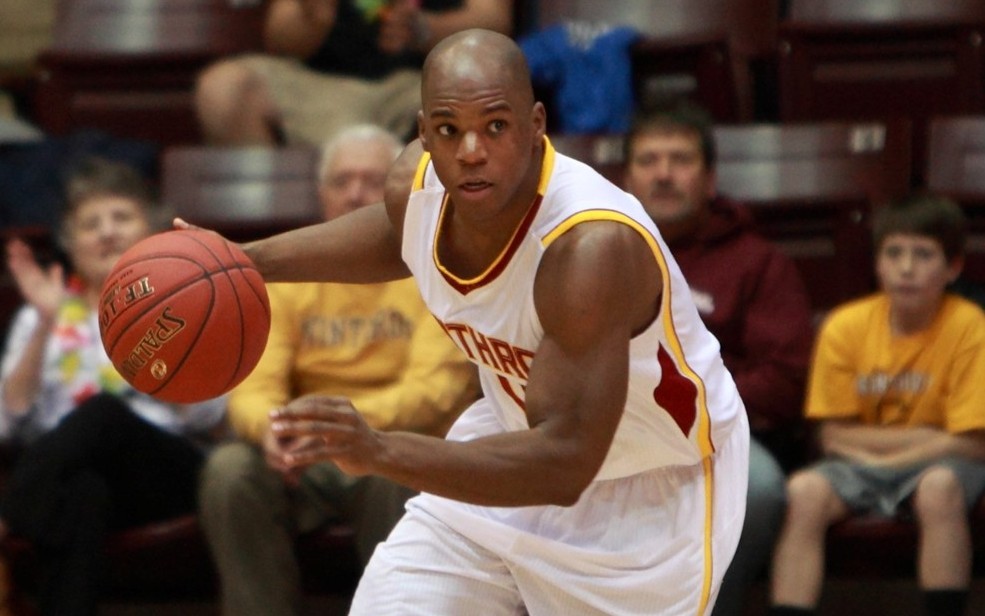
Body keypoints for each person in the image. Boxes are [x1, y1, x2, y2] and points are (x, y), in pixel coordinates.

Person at [180, 29, 749, 614]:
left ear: (536, 125)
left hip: (645, 490)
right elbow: (398, 233)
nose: (471, 150)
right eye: (449, 130)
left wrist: (377, 450)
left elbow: (565, 463)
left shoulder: (589, 248)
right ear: (424, 132)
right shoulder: (420, 185)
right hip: (506, 451)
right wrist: (244, 263)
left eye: (495, 126)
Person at [197, 124, 480, 616]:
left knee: (396, 471)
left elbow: (436, 392)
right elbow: (252, 385)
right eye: (342, 181)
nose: (355, 194)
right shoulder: (289, 274)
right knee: (229, 471)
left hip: (392, 443)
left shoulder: (440, 269)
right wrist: (277, 428)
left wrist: (337, 428)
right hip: (301, 452)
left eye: (372, 181)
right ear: (321, 194)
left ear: (401, 193)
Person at [0, 157, 227, 616]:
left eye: (122, 218)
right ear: (69, 242)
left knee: (104, 414)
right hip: (71, 483)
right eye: (90, 224)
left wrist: (153, 340)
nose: (106, 232)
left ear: (152, 229)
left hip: (167, 472)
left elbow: (212, 415)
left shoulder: (187, 302)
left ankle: (8, 511)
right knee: (83, 493)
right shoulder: (40, 314)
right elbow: (6, 423)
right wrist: (45, 323)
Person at [622, 101, 814, 616]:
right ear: (625, 177)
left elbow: (785, 379)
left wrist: (685, 405)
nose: (663, 173)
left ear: (709, 179)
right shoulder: (597, 252)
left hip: (724, 438)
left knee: (763, 489)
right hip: (613, 432)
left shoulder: (758, 262)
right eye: (649, 160)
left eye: (680, 159)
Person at [768, 194, 985, 616]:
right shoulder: (845, 325)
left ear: (953, 268)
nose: (906, 268)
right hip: (863, 463)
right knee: (803, 490)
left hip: (942, 469)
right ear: (877, 263)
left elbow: (973, 443)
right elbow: (831, 435)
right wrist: (928, 438)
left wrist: (880, 451)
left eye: (923, 255)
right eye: (894, 253)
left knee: (939, 489)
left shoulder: (971, 327)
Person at [194, 0, 513, 146]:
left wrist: (423, 29)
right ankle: (267, 248)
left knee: (489, 82)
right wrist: (315, 19)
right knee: (223, 89)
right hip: (321, 84)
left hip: (424, 81)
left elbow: (495, 21)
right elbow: (279, 35)